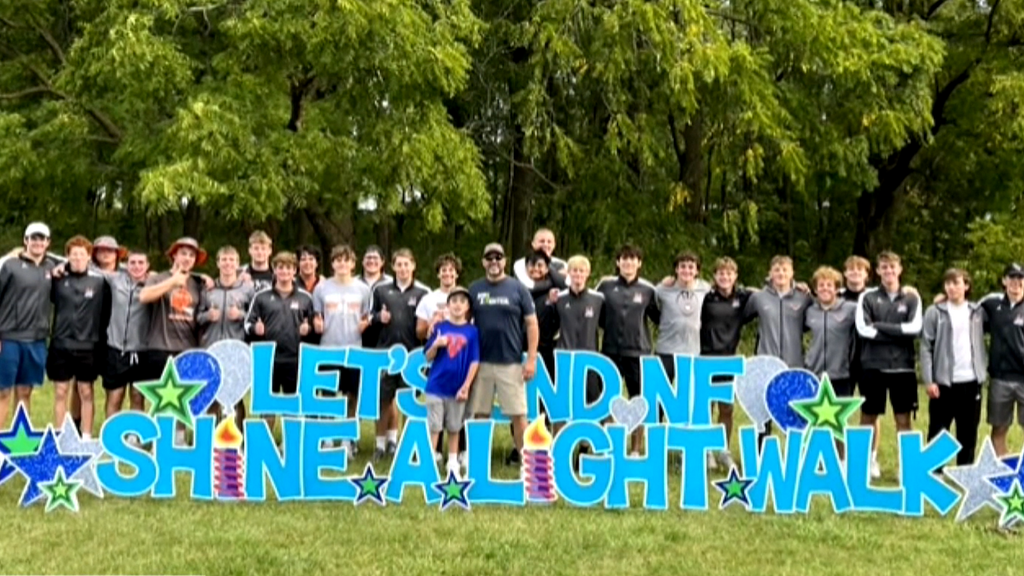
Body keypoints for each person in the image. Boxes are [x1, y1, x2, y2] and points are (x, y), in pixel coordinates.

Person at [468, 243, 539, 465]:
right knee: (480, 415)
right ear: (483, 262)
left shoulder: (518, 289)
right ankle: (478, 463)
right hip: (481, 363)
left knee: (519, 416)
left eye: (498, 258)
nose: (494, 262)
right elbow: (463, 321)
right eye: (489, 258)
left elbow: (532, 324)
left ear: (505, 261)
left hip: (511, 363)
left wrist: (532, 358)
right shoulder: (474, 289)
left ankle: (528, 464)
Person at [855, 251, 923, 478]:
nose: (888, 271)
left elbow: (914, 330)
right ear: (878, 271)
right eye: (884, 267)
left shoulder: (912, 298)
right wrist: (897, 332)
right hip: (873, 366)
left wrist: (881, 327)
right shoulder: (868, 297)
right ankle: (867, 462)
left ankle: (907, 466)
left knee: (903, 419)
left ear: (900, 269)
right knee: (868, 416)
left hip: (902, 367)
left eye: (892, 267)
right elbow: (864, 330)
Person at [139, 237, 208, 443]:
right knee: (161, 398)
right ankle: (159, 438)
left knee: (183, 398)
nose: (187, 258)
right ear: (174, 255)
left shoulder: (198, 284)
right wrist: (173, 281)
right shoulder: (158, 277)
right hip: (160, 347)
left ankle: (178, 439)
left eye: (191, 255)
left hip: (187, 348)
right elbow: (144, 296)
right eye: (183, 253)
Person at [595, 244, 660, 455]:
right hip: (610, 352)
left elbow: (658, 318)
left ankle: (635, 448)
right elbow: (599, 317)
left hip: (638, 354)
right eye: (624, 259)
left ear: (639, 263)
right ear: (618, 262)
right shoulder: (605, 286)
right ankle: (609, 445)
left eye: (633, 259)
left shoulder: (649, 290)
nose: (628, 263)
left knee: (638, 400)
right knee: (606, 400)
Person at [244, 252, 319, 432]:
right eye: (280, 268)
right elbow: (247, 324)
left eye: (288, 268)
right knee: (267, 405)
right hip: (268, 359)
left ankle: (289, 444)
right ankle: (265, 442)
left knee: (292, 405)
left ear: (295, 271)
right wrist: (255, 329)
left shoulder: (305, 298)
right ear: (274, 270)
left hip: (294, 359)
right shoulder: (261, 296)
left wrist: (308, 330)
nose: (284, 272)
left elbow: (314, 329)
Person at [920, 268, 986, 466]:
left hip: (971, 381)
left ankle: (964, 472)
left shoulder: (977, 311)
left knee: (968, 431)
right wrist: (929, 380)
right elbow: (925, 347)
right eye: (948, 283)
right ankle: (934, 471)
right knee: (938, 430)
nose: (951, 287)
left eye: (956, 283)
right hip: (944, 382)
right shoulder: (935, 311)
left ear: (966, 286)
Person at [368, 248, 430, 460]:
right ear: (392, 267)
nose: (403, 268)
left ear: (413, 265)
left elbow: (426, 326)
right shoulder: (380, 290)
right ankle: (380, 445)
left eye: (407, 264)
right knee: (383, 401)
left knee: (408, 403)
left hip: (412, 357)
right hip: (386, 355)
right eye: (399, 264)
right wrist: (378, 317)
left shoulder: (423, 293)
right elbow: (370, 319)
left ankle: (404, 445)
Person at [47, 236, 110, 438]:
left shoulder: (100, 282)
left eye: (82, 254)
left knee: (86, 392)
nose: (78, 257)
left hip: (87, 346)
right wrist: (60, 268)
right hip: (60, 344)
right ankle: (60, 436)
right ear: (67, 256)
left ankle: (85, 437)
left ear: (89, 256)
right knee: (60, 392)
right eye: (73, 254)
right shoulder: (57, 279)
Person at [312, 245, 372, 453]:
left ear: (353, 264)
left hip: (354, 350)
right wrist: (316, 323)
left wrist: (367, 323)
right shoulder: (322, 288)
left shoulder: (363, 289)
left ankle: (348, 439)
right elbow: (316, 315)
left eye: (346, 261)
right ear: (332, 263)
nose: (342, 264)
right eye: (338, 260)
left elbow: (367, 315)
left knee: (351, 396)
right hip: (328, 349)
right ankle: (327, 438)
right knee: (328, 395)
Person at [0, 222, 60, 427]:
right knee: (3, 392)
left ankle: (19, 442)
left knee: (25, 391)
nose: (37, 242)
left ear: (48, 243)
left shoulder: (51, 268)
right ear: (25, 241)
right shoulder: (10, 266)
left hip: (36, 340)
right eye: (33, 238)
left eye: (42, 239)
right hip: (9, 339)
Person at [700, 257, 754, 470]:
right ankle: (705, 451)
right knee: (706, 408)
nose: (725, 277)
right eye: (721, 273)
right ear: (715, 276)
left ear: (735, 276)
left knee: (726, 409)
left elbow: (764, 293)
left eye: (729, 273)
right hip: (705, 358)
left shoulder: (742, 298)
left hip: (729, 360)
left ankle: (722, 450)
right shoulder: (706, 297)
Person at [415, 252, 468, 463]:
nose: (447, 273)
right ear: (438, 274)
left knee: (459, 406)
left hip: (461, 360)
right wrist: (431, 324)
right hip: (438, 361)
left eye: (451, 270)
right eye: (443, 270)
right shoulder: (429, 299)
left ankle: (460, 452)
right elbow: (419, 332)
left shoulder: (466, 296)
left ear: (456, 273)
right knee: (438, 406)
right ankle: (434, 452)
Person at [424, 286, 479, 477]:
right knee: (435, 426)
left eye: (462, 302)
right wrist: (436, 345)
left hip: (458, 388)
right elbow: (428, 357)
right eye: (454, 301)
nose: (457, 305)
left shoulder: (472, 332)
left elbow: (474, 361)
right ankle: (431, 460)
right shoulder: (439, 328)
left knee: (455, 427)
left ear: (468, 307)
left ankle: (453, 461)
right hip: (436, 386)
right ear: (447, 305)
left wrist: (466, 386)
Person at [803, 266, 857, 458]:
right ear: (815, 289)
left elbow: (871, 307)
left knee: (839, 421)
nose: (825, 289)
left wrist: (910, 292)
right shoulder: (809, 311)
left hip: (840, 373)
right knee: (814, 420)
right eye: (821, 285)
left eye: (829, 285)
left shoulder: (850, 309)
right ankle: (815, 460)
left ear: (837, 288)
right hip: (814, 373)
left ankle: (840, 460)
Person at [198, 246, 255, 427]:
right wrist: (208, 316)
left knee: (236, 397)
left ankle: (237, 439)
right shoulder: (208, 290)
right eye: (224, 260)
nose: (228, 263)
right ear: (218, 263)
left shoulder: (247, 290)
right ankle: (213, 438)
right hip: (212, 349)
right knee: (212, 395)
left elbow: (256, 319)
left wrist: (240, 315)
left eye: (231, 260)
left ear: (238, 264)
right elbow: (197, 318)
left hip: (236, 351)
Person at [550, 255, 605, 424]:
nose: (578, 274)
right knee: (564, 403)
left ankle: (586, 443)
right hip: (565, 358)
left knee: (591, 402)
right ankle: (563, 441)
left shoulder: (598, 299)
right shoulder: (559, 298)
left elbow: (605, 324)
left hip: (590, 358)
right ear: (568, 273)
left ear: (588, 273)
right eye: (574, 271)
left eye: (582, 271)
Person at [978, 263, 1024, 457]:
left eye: (1020, 278)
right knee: (998, 428)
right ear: (1004, 281)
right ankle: (1003, 470)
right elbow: (964, 309)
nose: (1016, 282)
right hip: (1000, 379)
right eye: (1012, 278)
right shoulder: (991, 303)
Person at [101, 249, 151, 422]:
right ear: (126, 265)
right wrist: (62, 266)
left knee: (138, 396)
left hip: (141, 352)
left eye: (141, 263)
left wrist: (203, 277)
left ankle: (135, 437)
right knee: (115, 396)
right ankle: (110, 436)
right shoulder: (116, 279)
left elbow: (178, 275)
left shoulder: (153, 283)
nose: (137, 266)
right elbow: (87, 267)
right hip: (116, 349)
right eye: (132, 263)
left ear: (147, 266)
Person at [655, 252, 712, 382]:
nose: (687, 270)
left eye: (691, 267)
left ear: (697, 271)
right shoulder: (663, 289)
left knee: (688, 398)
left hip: (692, 352)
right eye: (683, 266)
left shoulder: (705, 288)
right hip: (666, 350)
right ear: (676, 269)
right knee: (659, 399)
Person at [358, 245, 393, 350]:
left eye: (375, 258)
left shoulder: (391, 283)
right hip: (358, 336)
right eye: (368, 258)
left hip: (383, 336)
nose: (371, 261)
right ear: (362, 261)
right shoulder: (353, 283)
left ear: (382, 262)